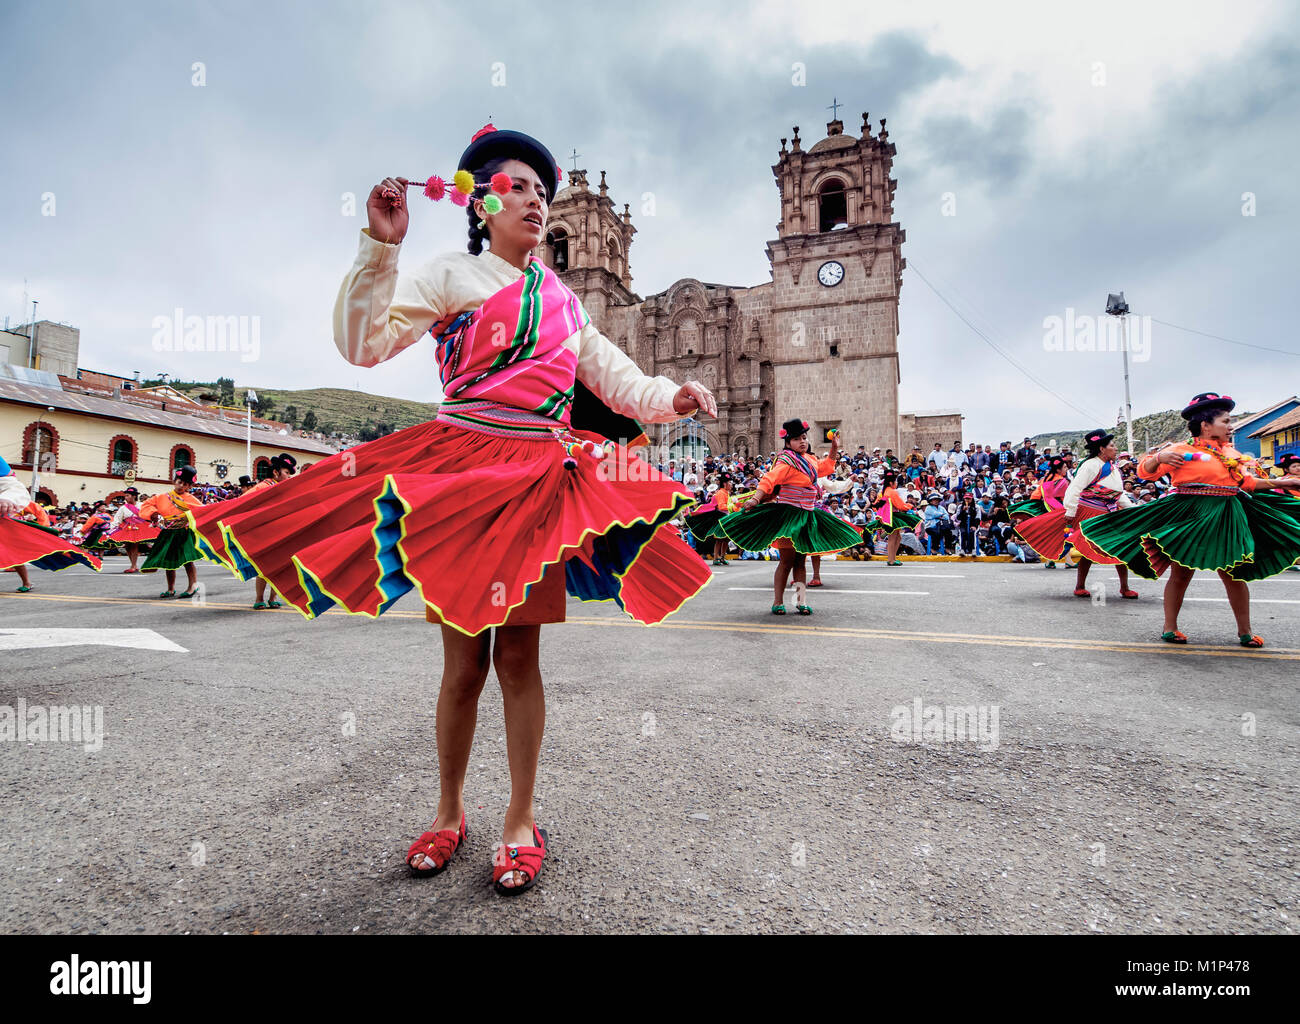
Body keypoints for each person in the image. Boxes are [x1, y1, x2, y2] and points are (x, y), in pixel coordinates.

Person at [186, 125, 716, 895]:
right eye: (518, 187)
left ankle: (521, 820)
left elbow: (619, 381)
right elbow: (363, 345)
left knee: (520, 660)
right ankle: (447, 811)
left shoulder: (565, 302)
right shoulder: (448, 275)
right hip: (463, 475)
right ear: (480, 200)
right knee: (463, 664)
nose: (534, 200)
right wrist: (381, 245)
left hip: (536, 480)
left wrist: (674, 396)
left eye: (542, 191)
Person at [1078, 393, 1300, 646]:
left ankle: (1245, 631)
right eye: (1226, 421)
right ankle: (1170, 627)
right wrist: (1157, 458)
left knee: (1234, 574)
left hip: (1227, 514)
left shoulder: (1230, 453)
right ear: (1206, 425)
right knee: (1181, 574)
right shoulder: (1181, 450)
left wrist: (1287, 482)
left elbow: (1247, 483)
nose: (1230, 426)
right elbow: (1146, 473)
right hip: (1192, 515)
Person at [720, 418, 859, 614]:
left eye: (804, 437)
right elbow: (769, 480)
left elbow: (826, 467)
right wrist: (756, 499)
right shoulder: (785, 462)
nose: (802, 441)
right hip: (788, 516)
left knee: (801, 562)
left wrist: (834, 447)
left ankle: (800, 601)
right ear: (788, 442)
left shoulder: (810, 459)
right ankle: (778, 601)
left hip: (807, 515)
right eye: (796, 439)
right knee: (786, 562)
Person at [1017, 430, 1138, 598]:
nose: (1116, 448)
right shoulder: (1089, 465)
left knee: (1118, 548)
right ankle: (1080, 585)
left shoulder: (1113, 468)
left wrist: (1131, 509)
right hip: (1091, 512)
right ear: (1102, 449)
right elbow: (1075, 488)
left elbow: (1118, 494)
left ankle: (1124, 587)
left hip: (1110, 512)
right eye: (1112, 445)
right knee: (1088, 549)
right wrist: (1071, 510)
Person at [0, 455, 102, 587]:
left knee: (14, 553)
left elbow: (16, 491)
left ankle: (26, 582)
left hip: (9, 524)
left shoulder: (24, 501)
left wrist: (8, 498)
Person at [140, 465, 207, 598]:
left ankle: (192, 586)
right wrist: (154, 514)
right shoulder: (161, 497)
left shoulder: (191, 500)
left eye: (186, 484)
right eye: (180, 482)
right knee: (168, 561)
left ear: (189, 487)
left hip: (184, 532)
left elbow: (202, 512)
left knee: (188, 560)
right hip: (168, 532)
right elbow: (146, 505)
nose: (181, 486)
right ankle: (170, 589)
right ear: (174, 481)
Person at [863, 471, 921, 566]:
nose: (897, 483)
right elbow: (900, 506)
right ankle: (891, 559)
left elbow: (876, 505)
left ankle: (893, 558)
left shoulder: (883, 492)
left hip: (888, 517)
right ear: (891, 483)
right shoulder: (892, 492)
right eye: (896, 482)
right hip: (892, 517)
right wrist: (910, 505)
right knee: (893, 538)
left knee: (898, 537)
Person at [684, 471, 733, 565]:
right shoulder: (721, 493)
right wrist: (733, 506)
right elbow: (722, 507)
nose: (731, 484)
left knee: (725, 539)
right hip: (721, 518)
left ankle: (722, 557)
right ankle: (715, 558)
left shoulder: (726, 493)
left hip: (726, 517)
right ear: (725, 484)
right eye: (729, 482)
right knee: (719, 539)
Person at [106, 486, 159, 573]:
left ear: (134, 496)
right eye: (125, 496)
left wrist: (153, 522)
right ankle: (133, 564)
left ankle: (133, 566)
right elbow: (117, 519)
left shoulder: (141, 505)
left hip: (139, 527)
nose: (126, 498)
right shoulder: (123, 508)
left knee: (134, 545)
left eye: (128, 495)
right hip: (127, 527)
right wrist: (111, 529)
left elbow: (149, 514)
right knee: (127, 546)